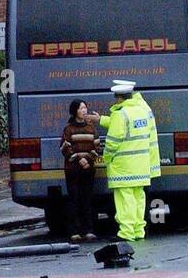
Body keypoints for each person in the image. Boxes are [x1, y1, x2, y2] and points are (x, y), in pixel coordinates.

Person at [91, 80, 159, 242]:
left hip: (124, 168)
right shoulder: (142, 110)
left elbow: (114, 139)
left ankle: (126, 232)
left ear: (120, 98)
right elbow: (126, 127)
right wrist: (101, 119)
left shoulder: (121, 114)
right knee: (138, 199)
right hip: (141, 166)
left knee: (124, 201)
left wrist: (106, 158)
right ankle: (138, 231)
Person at [59, 99, 99, 243]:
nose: (84, 111)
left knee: (87, 200)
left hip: (88, 170)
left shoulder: (91, 128)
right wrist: (78, 159)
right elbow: (65, 147)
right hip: (73, 170)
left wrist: (88, 159)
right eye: (81, 108)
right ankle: (74, 231)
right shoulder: (68, 129)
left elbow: (97, 147)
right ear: (75, 111)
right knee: (74, 199)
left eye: (85, 108)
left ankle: (88, 230)